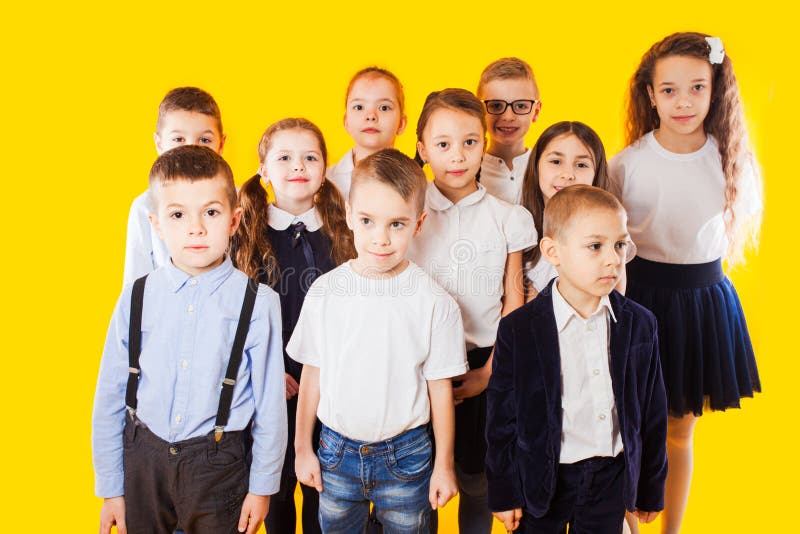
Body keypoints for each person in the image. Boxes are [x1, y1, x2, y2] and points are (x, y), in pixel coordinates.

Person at [610, 32, 763, 534]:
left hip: (701, 305)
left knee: (679, 428)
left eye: (697, 88)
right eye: (670, 90)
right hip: (640, 301)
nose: (683, 102)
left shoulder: (730, 157)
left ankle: (672, 530)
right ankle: (629, 525)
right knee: (627, 423)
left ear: (715, 90)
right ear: (650, 95)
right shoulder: (627, 163)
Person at [93, 145, 287, 534]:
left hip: (219, 464)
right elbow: (111, 394)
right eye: (178, 214)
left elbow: (269, 404)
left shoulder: (259, 303)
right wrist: (111, 487)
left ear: (234, 221)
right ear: (157, 224)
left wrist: (262, 487)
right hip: (143, 458)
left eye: (211, 213)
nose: (196, 228)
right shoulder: (136, 295)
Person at [290, 149, 466, 533]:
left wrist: (444, 465)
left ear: (419, 223)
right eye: (368, 221)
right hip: (336, 453)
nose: (381, 239)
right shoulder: (326, 292)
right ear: (350, 213)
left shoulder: (434, 302)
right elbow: (312, 375)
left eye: (397, 224)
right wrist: (303, 448)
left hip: (407, 456)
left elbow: (440, 391)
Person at [486, 185, 668, 533]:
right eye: (595, 246)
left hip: (610, 480)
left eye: (619, 245)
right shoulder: (518, 329)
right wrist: (504, 493)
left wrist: (650, 487)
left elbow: (652, 413)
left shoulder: (640, 324)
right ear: (553, 251)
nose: (613, 259)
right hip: (543, 481)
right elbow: (501, 422)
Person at [409, 88, 536, 533]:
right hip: (418, 367)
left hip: (484, 361)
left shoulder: (507, 217)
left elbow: (513, 302)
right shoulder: (409, 213)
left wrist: (489, 374)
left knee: (479, 480)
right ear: (423, 149)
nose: (456, 156)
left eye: (469, 141)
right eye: (442, 144)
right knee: (417, 482)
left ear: (484, 144)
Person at [231, 118, 355, 534]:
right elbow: (237, 313)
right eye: (283, 157)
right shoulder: (245, 231)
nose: (297, 165)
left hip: (333, 386)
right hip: (271, 385)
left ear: (324, 170)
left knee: (327, 490)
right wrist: (266, 369)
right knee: (278, 491)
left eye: (309, 157)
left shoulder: (346, 229)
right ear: (264, 170)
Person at [123, 87, 226, 285]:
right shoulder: (144, 206)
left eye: (204, 140)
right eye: (178, 139)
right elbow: (135, 282)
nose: (191, 148)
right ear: (159, 144)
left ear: (220, 145)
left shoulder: (236, 199)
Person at [328, 66, 407, 199]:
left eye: (384, 107)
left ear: (401, 123)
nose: (371, 116)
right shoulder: (325, 182)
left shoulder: (419, 184)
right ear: (346, 122)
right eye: (359, 107)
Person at [477, 57, 542, 204]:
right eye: (495, 106)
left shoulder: (547, 168)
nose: (508, 117)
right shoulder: (466, 170)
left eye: (520, 106)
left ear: (536, 111)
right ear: (479, 111)